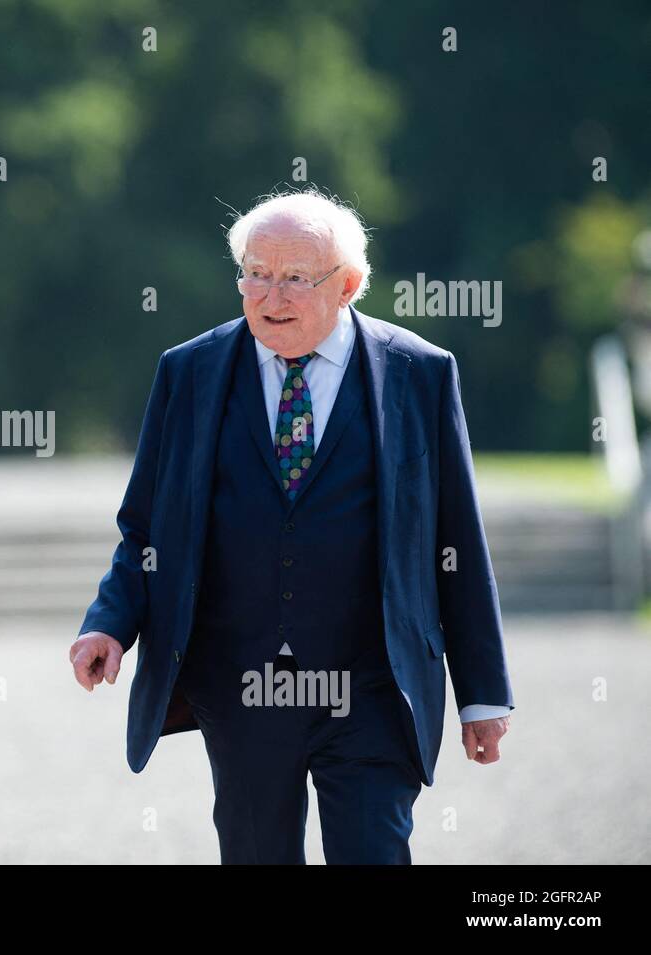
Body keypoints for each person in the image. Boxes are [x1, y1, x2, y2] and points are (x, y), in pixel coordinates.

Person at [70, 189, 513, 864]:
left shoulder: (420, 374)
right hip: (242, 683)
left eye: (296, 278)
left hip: (372, 684)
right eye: (255, 273)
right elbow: (146, 529)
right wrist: (110, 621)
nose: (270, 294)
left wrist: (481, 691)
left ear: (350, 285)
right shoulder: (188, 372)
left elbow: (457, 538)